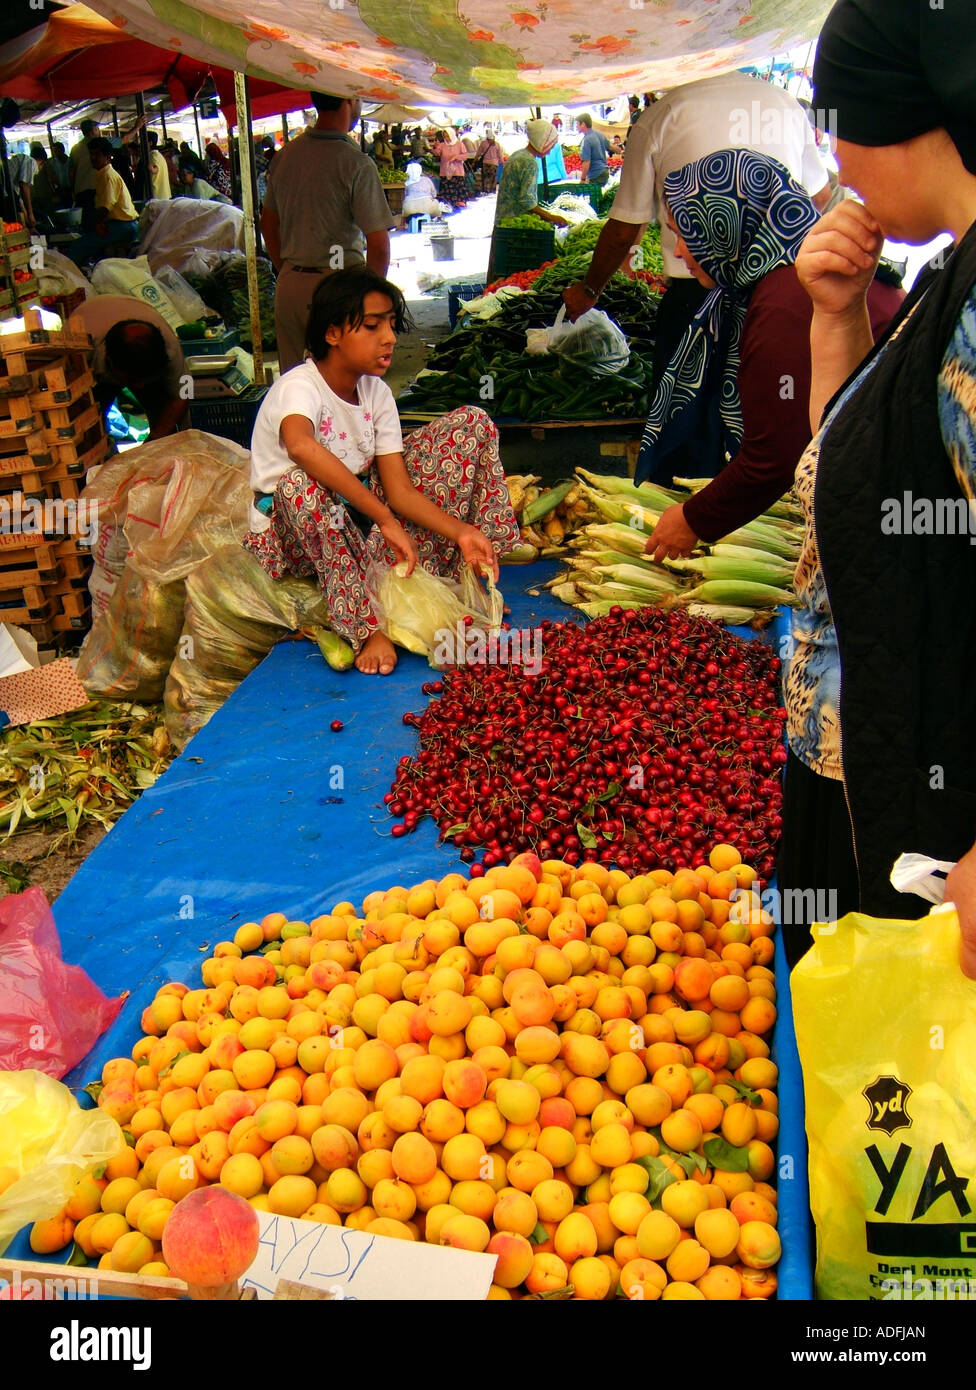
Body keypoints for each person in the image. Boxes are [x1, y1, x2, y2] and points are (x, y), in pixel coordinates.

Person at [766, 0, 976, 977]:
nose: (836, 160)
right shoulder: (946, 279)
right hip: (856, 760)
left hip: (922, 816)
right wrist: (835, 316)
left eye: (838, 121)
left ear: (905, 113)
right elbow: (855, 488)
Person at [242, 266, 519, 676]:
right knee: (299, 485)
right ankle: (367, 626)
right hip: (298, 534)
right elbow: (300, 447)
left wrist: (461, 531)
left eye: (390, 323)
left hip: (362, 524)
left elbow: (400, 490)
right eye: (372, 326)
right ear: (332, 334)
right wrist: (385, 518)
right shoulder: (299, 386)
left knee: (471, 424)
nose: (389, 337)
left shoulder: (376, 392)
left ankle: (470, 579)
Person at [563, 71, 832, 477]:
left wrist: (589, 290)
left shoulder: (661, 114)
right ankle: (734, 505)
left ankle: (690, 505)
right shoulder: (783, 104)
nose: (677, 238)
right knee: (770, 418)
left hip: (696, 296)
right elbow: (819, 196)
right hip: (780, 276)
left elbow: (622, 230)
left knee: (689, 424)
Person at [638, 149, 901, 559]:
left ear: (723, 224)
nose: (677, 252)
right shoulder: (792, 264)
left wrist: (694, 519)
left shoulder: (788, 298)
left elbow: (779, 455)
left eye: (683, 232)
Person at [260, 92, 394, 374]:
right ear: (350, 100)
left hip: (292, 285)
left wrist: (288, 269)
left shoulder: (285, 156)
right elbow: (379, 247)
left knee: (296, 385)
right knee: (347, 389)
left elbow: (268, 224)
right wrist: (369, 300)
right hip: (341, 288)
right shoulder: (356, 163)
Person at [71, 295, 188, 439]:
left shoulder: (171, 348)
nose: (140, 386)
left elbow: (184, 393)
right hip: (89, 350)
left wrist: (155, 440)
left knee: (164, 416)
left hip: (123, 320)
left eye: (145, 378)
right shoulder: (79, 349)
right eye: (133, 379)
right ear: (110, 361)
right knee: (91, 421)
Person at [65, 138, 139, 265]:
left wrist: (96, 224)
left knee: (78, 246)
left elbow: (105, 208)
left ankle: (68, 277)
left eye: (97, 154)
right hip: (119, 224)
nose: (93, 158)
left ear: (108, 156)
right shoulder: (101, 173)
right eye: (91, 154)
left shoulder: (108, 175)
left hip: (123, 226)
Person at [69, 118, 99, 232]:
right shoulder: (100, 144)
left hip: (80, 190)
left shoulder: (75, 148)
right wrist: (136, 127)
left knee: (86, 222)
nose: (98, 131)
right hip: (95, 189)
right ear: (92, 131)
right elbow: (123, 140)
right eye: (97, 129)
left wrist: (73, 190)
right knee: (98, 221)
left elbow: (71, 172)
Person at [432, 127, 469, 210]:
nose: (446, 138)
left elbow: (465, 156)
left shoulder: (459, 144)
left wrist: (456, 157)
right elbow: (437, 153)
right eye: (444, 136)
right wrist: (435, 147)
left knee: (457, 190)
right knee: (446, 192)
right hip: (445, 172)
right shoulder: (442, 145)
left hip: (457, 173)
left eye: (447, 136)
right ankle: (448, 207)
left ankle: (458, 206)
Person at [576, 113, 610, 186]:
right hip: (604, 171)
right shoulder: (599, 134)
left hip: (596, 174)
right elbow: (610, 146)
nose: (576, 126)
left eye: (577, 124)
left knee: (595, 196)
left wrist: (582, 179)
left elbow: (586, 162)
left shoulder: (586, 140)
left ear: (583, 124)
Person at [7, 146, 37, 230]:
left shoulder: (21, 162)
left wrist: (27, 218)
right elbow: (24, 185)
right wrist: (30, 214)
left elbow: (18, 198)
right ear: (41, 162)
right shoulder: (31, 162)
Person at [146, 131, 171, 201]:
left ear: (150, 143)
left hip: (158, 196)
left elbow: (155, 169)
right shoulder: (158, 155)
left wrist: (150, 168)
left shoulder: (154, 155)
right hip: (162, 195)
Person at [476, 128, 502, 194]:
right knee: (493, 178)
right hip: (494, 164)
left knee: (485, 177)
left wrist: (474, 161)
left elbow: (478, 153)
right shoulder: (497, 144)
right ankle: (492, 191)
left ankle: (485, 190)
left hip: (485, 163)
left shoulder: (483, 143)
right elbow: (500, 155)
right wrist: (502, 163)